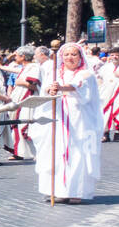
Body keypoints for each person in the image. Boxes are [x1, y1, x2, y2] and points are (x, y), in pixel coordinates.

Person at [33, 41, 102, 203]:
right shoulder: (54, 73)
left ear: (80, 56)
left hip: (78, 119)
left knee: (76, 152)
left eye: (73, 54)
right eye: (66, 55)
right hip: (56, 116)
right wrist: (50, 89)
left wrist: (62, 88)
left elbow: (78, 86)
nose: (69, 58)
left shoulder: (86, 74)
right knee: (55, 151)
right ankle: (58, 191)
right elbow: (45, 90)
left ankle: (76, 191)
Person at [9, 46, 41, 158]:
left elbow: (33, 85)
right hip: (20, 100)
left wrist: (20, 82)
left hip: (27, 101)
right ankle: (19, 152)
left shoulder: (33, 67)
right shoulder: (25, 67)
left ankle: (30, 153)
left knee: (24, 126)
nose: (15, 57)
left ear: (23, 56)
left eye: (17, 55)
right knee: (17, 125)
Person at [99, 47, 119, 141]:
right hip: (106, 93)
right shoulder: (105, 67)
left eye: (117, 55)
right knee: (105, 113)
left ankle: (117, 134)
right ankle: (105, 133)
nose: (115, 57)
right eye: (112, 55)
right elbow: (100, 79)